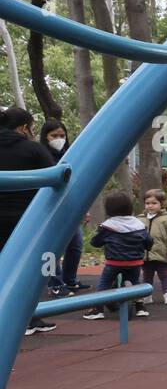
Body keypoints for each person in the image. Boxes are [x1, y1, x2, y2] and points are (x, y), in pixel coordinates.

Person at [0, 106, 59, 335]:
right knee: (29, 270)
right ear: (25, 128)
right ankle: (30, 318)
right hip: (25, 220)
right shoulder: (33, 150)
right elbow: (54, 180)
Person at [37, 119, 89, 296]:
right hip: (48, 209)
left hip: (69, 208)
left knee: (75, 245)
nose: (59, 139)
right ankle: (55, 283)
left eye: (62, 135)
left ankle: (70, 280)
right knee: (51, 250)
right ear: (45, 137)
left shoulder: (69, 154)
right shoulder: (41, 156)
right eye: (54, 136)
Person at [82, 190, 152, 320]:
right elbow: (148, 241)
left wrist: (96, 241)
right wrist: (147, 247)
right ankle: (140, 307)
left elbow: (96, 242)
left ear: (108, 209)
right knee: (136, 283)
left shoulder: (108, 226)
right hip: (135, 262)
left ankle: (97, 309)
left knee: (105, 284)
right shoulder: (139, 224)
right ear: (129, 207)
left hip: (114, 263)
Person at [135, 188, 167, 316]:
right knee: (147, 275)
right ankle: (147, 295)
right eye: (147, 203)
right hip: (145, 255)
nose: (150, 206)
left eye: (154, 203)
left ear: (162, 204)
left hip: (161, 253)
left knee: (164, 275)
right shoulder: (140, 219)